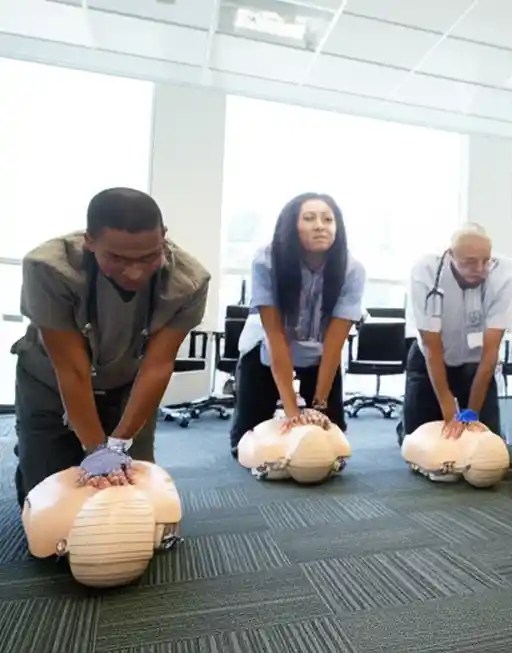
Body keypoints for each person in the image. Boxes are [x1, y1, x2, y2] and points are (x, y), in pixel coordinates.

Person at [12, 187, 210, 506]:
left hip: (126, 385)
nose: (134, 271)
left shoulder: (189, 281)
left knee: (135, 498)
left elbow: (158, 365)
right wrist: (95, 449)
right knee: (51, 512)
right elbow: (72, 370)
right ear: (89, 241)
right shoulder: (48, 269)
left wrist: (117, 445)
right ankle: (36, 448)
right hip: (49, 382)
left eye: (149, 257)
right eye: (117, 258)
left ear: (164, 238)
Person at [228, 192, 366, 451]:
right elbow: (275, 338)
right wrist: (293, 411)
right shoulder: (267, 260)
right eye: (309, 218)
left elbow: (335, 345)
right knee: (245, 443)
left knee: (331, 440)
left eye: (328, 219)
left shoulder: (351, 269)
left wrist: (319, 406)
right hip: (266, 348)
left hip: (320, 350)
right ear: (292, 225)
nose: (320, 226)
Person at [398, 222, 512, 444]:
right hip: (431, 360)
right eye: (470, 262)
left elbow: (491, 353)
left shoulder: (503, 275)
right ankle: (405, 424)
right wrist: (448, 407)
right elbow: (432, 347)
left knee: (485, 441)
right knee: (421, 440)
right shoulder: (426, 272)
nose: (480, 269)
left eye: (485, 261)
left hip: (477, 364)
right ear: (451, 255)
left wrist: (471, 413)